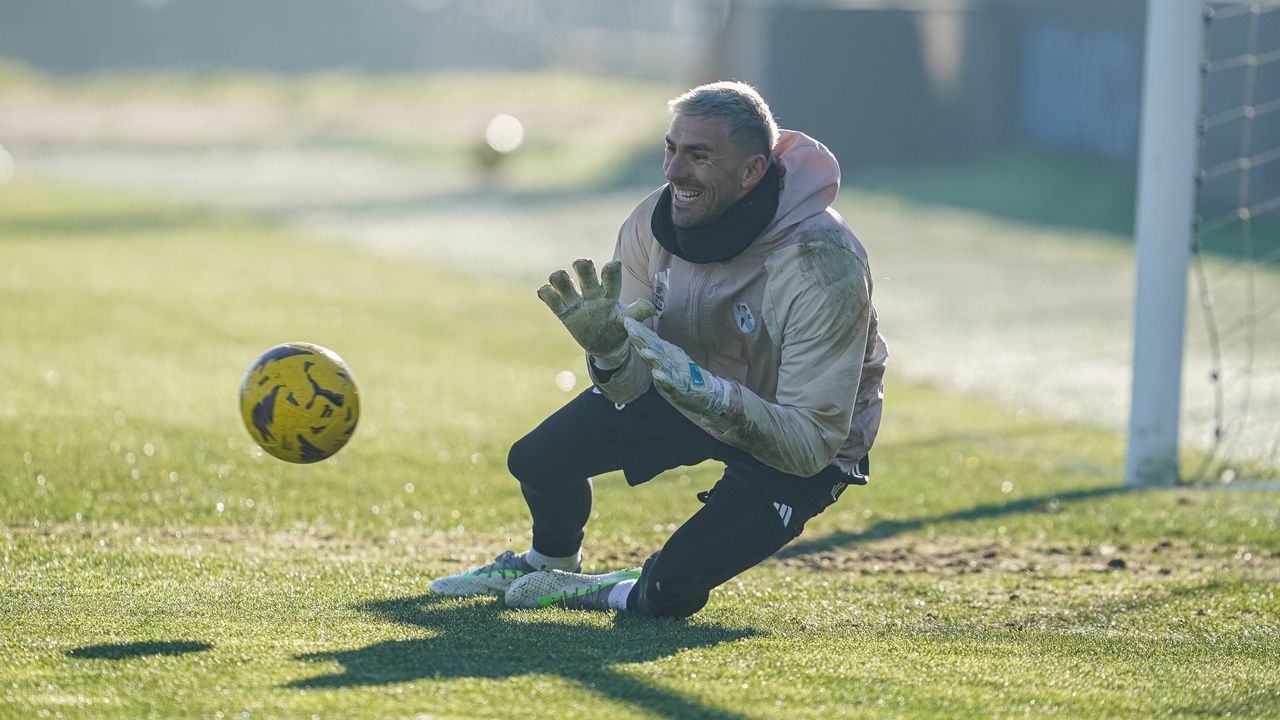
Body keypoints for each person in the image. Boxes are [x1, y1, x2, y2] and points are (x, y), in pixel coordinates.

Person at [430, 81, 887, 617]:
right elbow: (634, 383)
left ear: (751, 171)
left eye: (698, 156)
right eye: (671, 149)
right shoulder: (652, 222)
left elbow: (812, 444)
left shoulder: (821, 261)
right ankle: (548, 562)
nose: (673, 171)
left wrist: (706, 392)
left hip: (797, 437)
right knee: (535, 460)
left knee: (668, 591)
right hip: (689, 391)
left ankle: (601, 590)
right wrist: (609, 354)